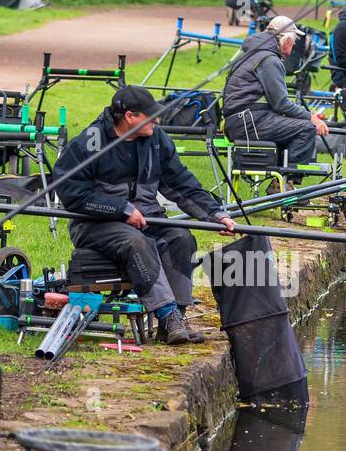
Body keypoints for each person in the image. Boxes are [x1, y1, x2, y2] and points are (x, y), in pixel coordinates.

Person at [54, 85, 235, 346]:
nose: (157, 120)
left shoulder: (157, 139)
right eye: (150, 115)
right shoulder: (88, 142)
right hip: (94, 223)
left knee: (181, 237)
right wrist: (122, 210)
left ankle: (176, 320)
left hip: (148, 218)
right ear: (129, 117)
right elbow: (71, 193)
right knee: (138, 243)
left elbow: (182, 184)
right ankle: (167, 314)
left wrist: (215, 214)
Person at [222, 15, 328, 164]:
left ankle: (279, 176)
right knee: (307, 128)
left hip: (239, 121)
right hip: (248, 123)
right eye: (293, 42)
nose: (293, 47)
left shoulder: (253, 52)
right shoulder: (270, 60)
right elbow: (281, 104)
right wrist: (311, 118)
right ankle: (285, 182)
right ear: (285, 40)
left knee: (295, 124)